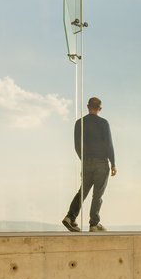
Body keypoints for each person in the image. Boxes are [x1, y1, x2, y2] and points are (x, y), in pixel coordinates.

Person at [62, 97, 116, 232]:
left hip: (86, 162)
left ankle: (70, 217)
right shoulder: (103, 123)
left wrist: (84, 159)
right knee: (97, 195)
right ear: (100, 108)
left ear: (87, 106)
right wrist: (113, 163)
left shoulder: (79, 123)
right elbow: (108, 144)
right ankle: (94, 224)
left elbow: (77, 145)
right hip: (101, 163)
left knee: (82, 192)